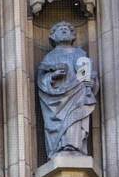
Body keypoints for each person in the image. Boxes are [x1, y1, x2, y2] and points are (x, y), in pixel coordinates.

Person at [37, 21, 98, 156]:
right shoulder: (50, 56)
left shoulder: (80, 53)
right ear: (53, 36)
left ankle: (74, 147)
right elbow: (41, 80)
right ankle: (59, 147)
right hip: (57, 100)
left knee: (73, 124)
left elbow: (87, 75)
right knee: (61, 124)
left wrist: (91, 83)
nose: (64, 30)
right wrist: (53, 76)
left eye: (67, 29)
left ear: (73, 36)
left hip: (77, 96)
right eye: (60, 29)